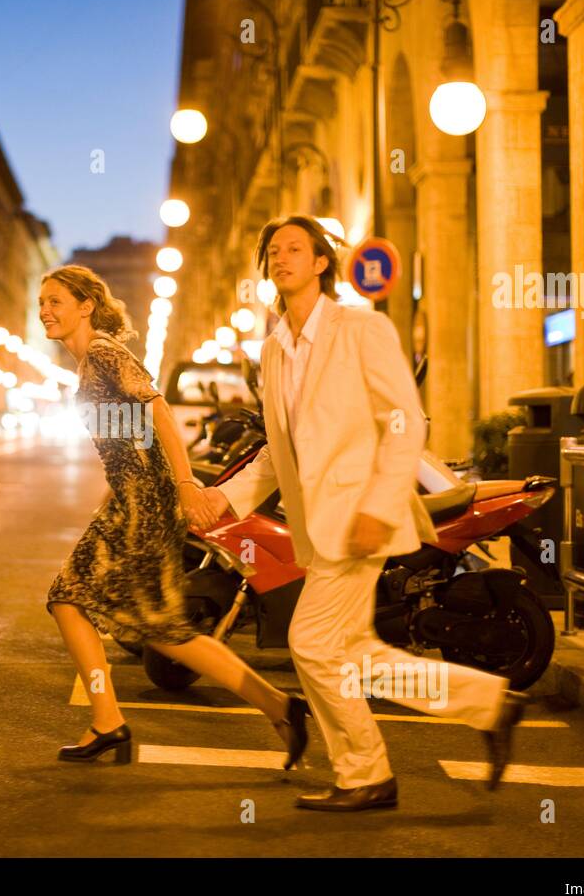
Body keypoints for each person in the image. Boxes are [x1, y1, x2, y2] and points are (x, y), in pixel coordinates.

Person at [198, 216, 529, 811]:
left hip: (358, 518)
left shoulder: (360, 328)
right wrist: (225, 497)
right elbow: (280, 448)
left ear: (321, 262)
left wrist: (379, 506)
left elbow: (404, 421)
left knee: (311, 643)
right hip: (317, 525)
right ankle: (487, 704)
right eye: (273, 251)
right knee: (352, 655)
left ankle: (366, 774)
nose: (281, 258)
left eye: (294, 248)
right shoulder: (275, 348)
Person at [41, 264, 309, 766]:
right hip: (135, 499)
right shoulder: (89, 361)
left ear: (86, 306)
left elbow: (159, 409)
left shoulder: (102, 352)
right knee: (158, 627)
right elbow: (128, 444)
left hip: (147, 503)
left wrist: (186, 486)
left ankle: (109, 721)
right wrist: (115, 499)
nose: (45, 311)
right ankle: (278, 706)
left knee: (71, 599)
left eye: (56, 300)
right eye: (42, 302)